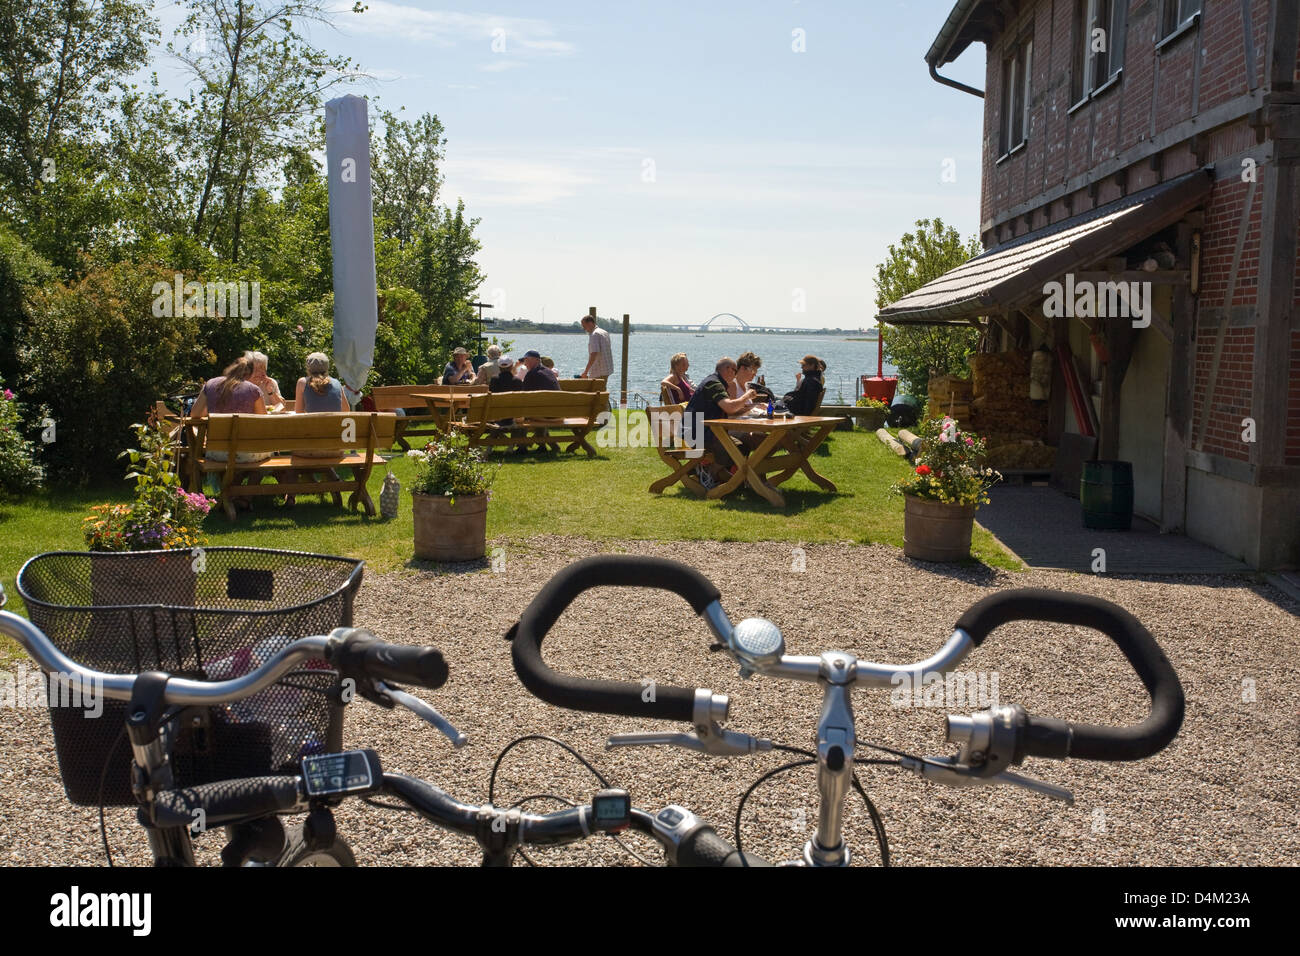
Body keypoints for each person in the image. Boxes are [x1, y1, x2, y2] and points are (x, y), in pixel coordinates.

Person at [188, 357, 271, 505]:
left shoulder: (211, 384)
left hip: (216, 452)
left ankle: (230, 495)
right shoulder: (253, 390)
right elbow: (263, 423)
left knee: (237, 458)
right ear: (249, 374)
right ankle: (245, 497)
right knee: (269, 455)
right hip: (245, 453)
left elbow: (194, 414)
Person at [682, 357, 760, 486]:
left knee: (743, 446)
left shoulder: (717, 382)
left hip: (706, 431)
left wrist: (747, 408)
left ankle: (717, 476)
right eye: (735, 371)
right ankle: (708, 474)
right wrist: (747, 396)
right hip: (698, 433)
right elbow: (729, 407)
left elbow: (728, 410)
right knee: (735, 448)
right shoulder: (713, 383)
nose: (735, 374)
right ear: (728, 369)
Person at [287, 352, 351, 506]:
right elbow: (347, 411)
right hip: (335, 449)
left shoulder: (302, 383)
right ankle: (334, 485)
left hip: (309, 449)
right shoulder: (337, 383)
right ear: (327, 367)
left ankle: (290, 496)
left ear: (308, 368)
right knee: (321, 448)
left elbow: (298, 414)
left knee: (293, 456)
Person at [579, 314, 614, 382]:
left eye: (584, 326)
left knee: (596, 389)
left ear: (590, 323)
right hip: (607, 369)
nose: (584, 329)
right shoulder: (604, 332)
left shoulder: (594, 335)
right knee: (603, 387)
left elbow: (594, 354)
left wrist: (585, 371)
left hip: (598, 371)